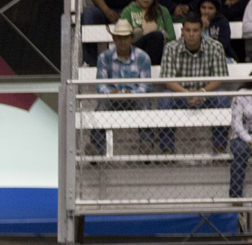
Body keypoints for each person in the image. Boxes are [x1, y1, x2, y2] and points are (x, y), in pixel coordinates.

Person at [160, 17, 231, 153]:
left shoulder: (216, 47)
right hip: (181, 95)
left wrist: (201, 92)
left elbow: (219, 79)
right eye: (187, 30)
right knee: (165, 97)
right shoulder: (171, 48)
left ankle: (220, 148)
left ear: (202, 31)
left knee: (221, 97)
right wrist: (189, 94)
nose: (191, 34)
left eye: (195, 30)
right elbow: (168, 81)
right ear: (182, 31)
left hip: (206, 95)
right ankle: (167, 150)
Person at [94, 20, 154, 153]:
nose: (122, 41)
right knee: (102, 104)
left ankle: (146, 144)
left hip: (134, 99)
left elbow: (146, 86)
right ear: (114, 39)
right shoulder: (104, 57)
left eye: (125, 37)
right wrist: (111, 93)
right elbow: (100, 85)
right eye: (118, 38)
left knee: (144, 102)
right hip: (112, 99)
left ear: (131, 38)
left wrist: (131, 94)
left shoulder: (143, 57)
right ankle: (96, 147)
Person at [120, 0, 176, 65]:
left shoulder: (162, 10)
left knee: (156, 37)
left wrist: (162, 37)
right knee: (155, 36)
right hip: (135, 50)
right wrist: (142, 34)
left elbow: (172, 37)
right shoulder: (128, 11)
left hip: (160, 50)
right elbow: (122, 36)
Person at [231, 89, 251, 208]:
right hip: (240, 136)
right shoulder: (241, 94)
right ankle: (236, 197)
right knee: (240, 151)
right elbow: (236, 122)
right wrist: (248, 139)